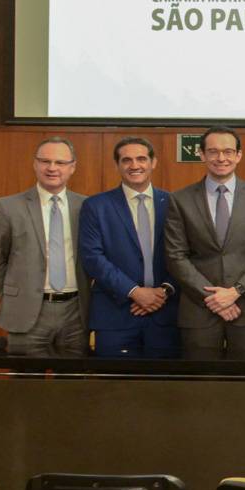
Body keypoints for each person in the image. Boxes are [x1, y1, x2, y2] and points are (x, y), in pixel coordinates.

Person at [165, 126, 245, 355]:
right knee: (201, 385)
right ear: (202, 154)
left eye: (227, 151)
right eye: (213, 151)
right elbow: (175, 256)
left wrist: (235, 292)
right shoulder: (180, 199)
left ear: (239, 155)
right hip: (199, 310)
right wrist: (213, 298)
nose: (221, 158)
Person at [0, 136, 89, 355]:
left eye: (60, 163)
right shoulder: (8, 207)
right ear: (35, 164)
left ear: (72, 167)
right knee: (26, 385)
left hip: (76, 314)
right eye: (45, 161)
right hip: (27, 312)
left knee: (74, 386)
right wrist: (15, 296)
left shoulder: (87, 206)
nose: (52, 168)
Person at [79, 136, 178, 357]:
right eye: (127, 160)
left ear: (153, 162)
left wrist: (164, 290)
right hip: (115, 315)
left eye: (141, 159)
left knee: (166, 389)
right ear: (117, 165)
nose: (135, 166)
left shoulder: (174, 203)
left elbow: (186, 254)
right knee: (115, 389)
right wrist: (134, 292)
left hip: (165, 314)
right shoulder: (96, 206)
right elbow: (92, 258)